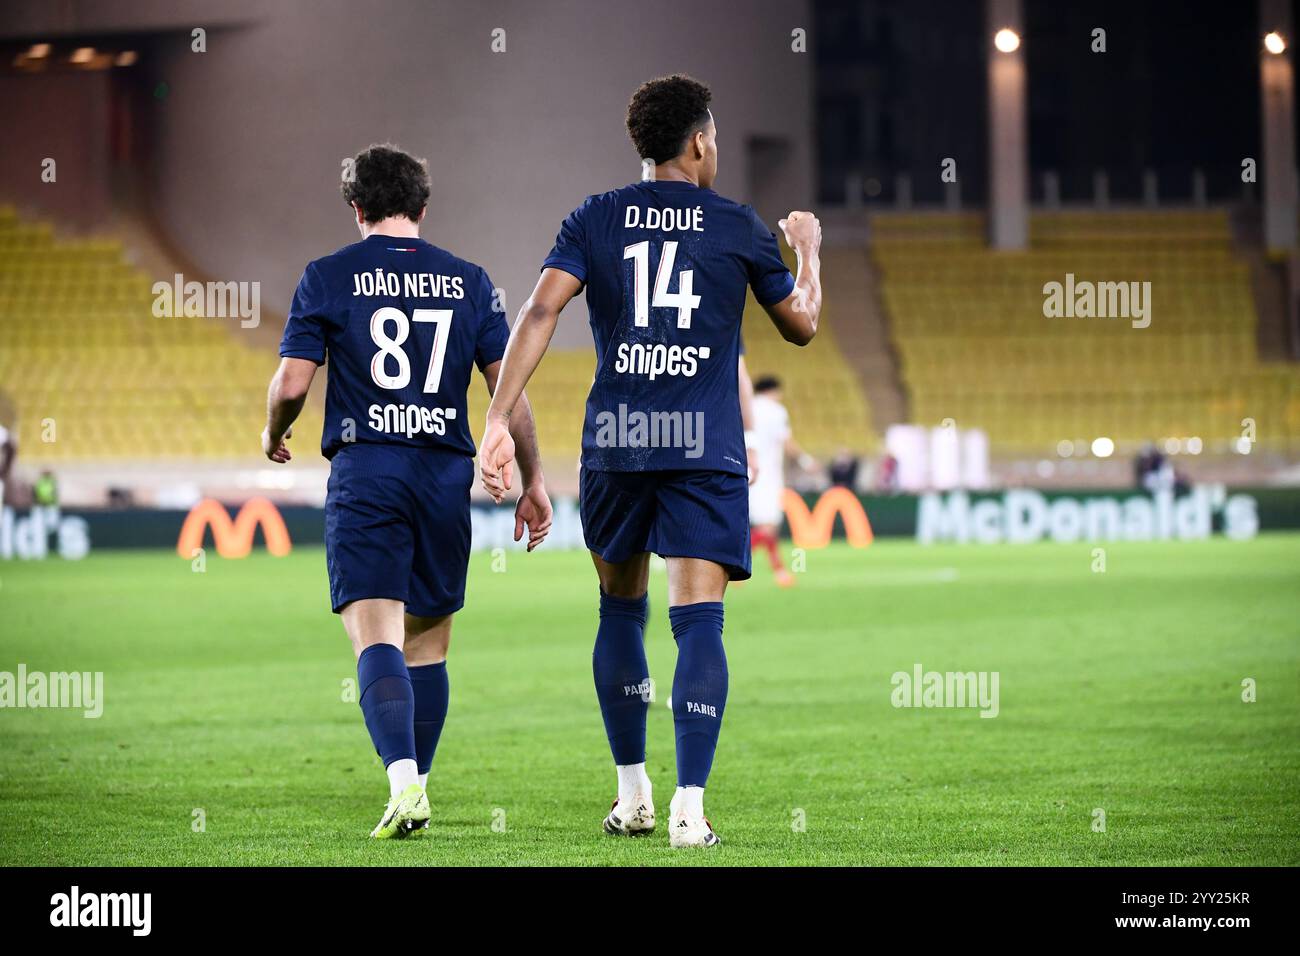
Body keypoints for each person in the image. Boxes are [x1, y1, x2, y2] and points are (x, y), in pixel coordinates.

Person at [477, 74, 822, 847]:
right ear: (699, 141)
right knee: (698, 622)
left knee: (618, 611)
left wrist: (498, 417)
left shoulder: (593, 218)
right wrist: (808, 251)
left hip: (618, 444)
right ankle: (688, 809)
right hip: (702, 448)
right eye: (717, 137)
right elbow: (800, 325)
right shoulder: (735, 225)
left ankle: (632, 795)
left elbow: (537, 311)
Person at [261, 144, 551, 839]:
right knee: (428, 645)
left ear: (356, 206)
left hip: (369, 470)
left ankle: (401, 786)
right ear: (422, 206)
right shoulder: (471, 281)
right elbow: (508, 394)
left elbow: (294, 384)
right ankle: (418, 782)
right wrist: (534, 482)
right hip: (444, 477)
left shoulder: (327, 276)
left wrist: (275, 429)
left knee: (375, 637)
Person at [748, 375, 815, 587]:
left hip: (745, 469)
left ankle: (779, 570)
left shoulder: (745, 406)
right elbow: (786, 441)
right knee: (767, 527)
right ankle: (732, 565)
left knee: (766, 527)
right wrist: (806, 461)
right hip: (766, 474)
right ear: (774, 391)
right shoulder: (776, 411)